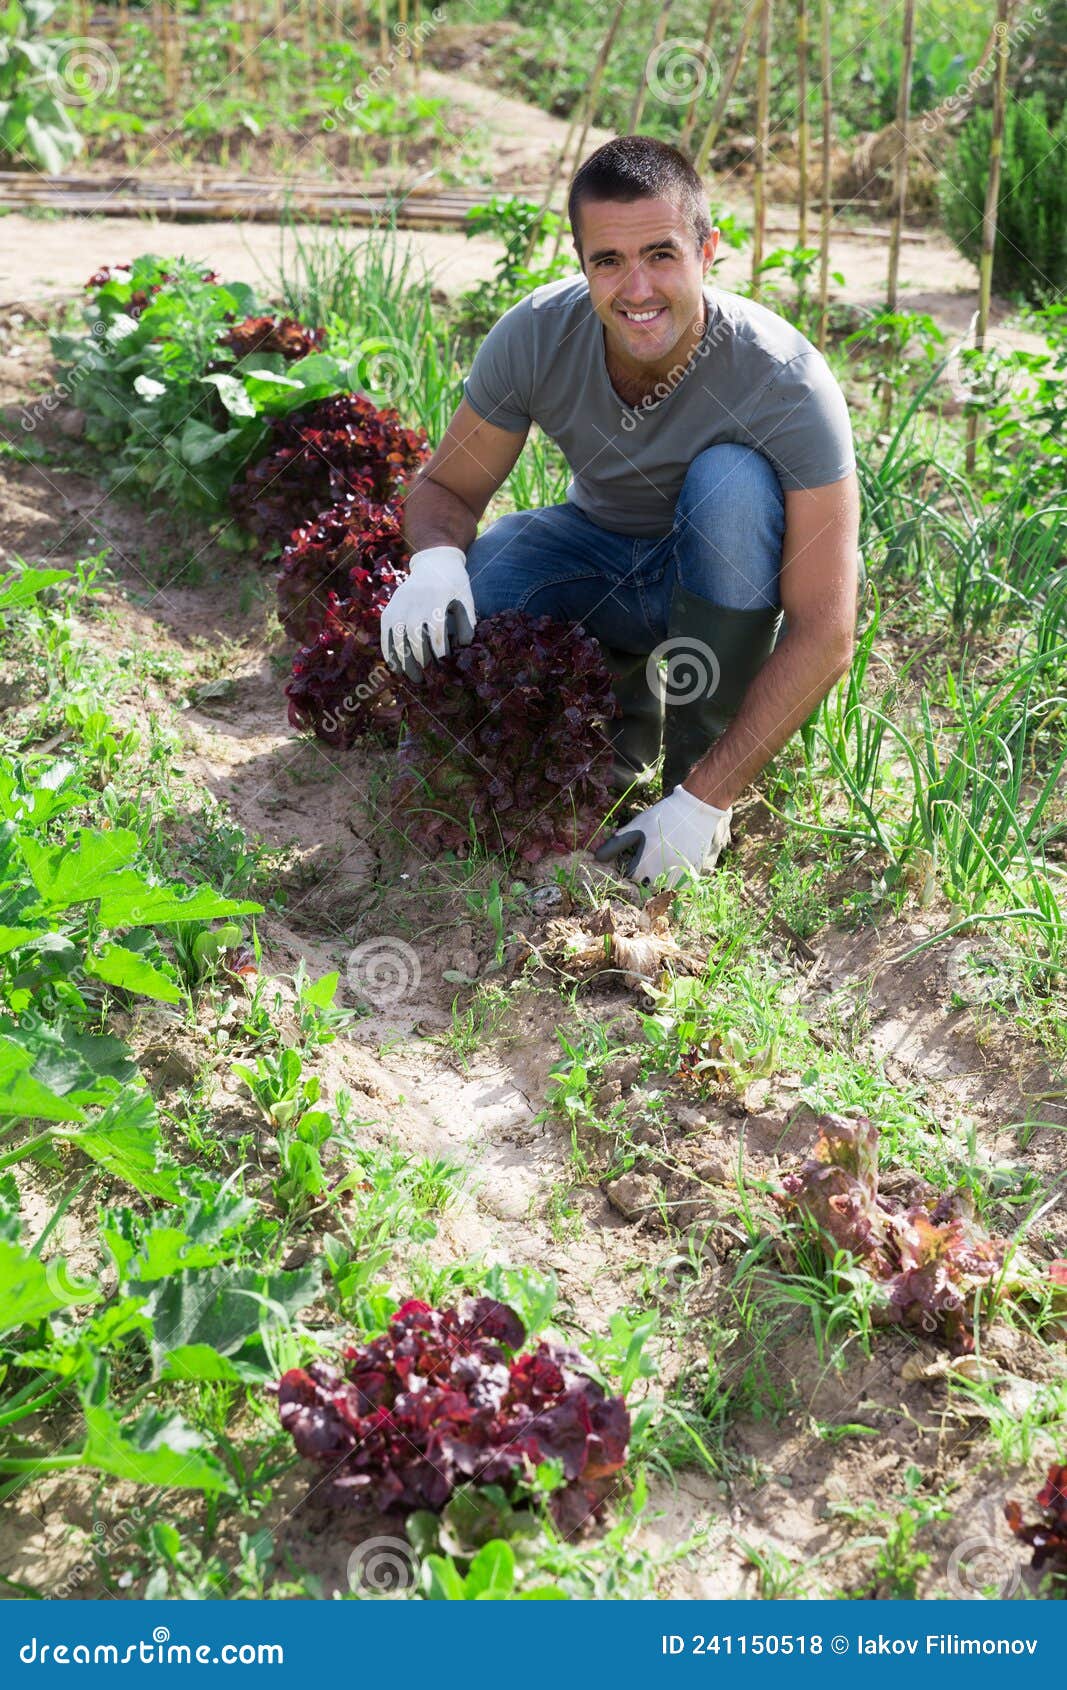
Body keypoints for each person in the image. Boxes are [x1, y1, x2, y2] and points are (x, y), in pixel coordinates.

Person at [380, 135, 861, 888]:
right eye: (608, 261)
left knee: (729, 483)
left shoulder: (784, 380)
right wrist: (435, 560)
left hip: (712, 577)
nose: (636, 288)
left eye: (661, 254)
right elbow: (446, 490)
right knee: (491, 571)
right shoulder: (538, 334)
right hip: (597, 550)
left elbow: (826, 631)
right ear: (581, 265)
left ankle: (696, 776)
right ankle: (620, 718)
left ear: (708, 249)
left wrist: (706, 799)